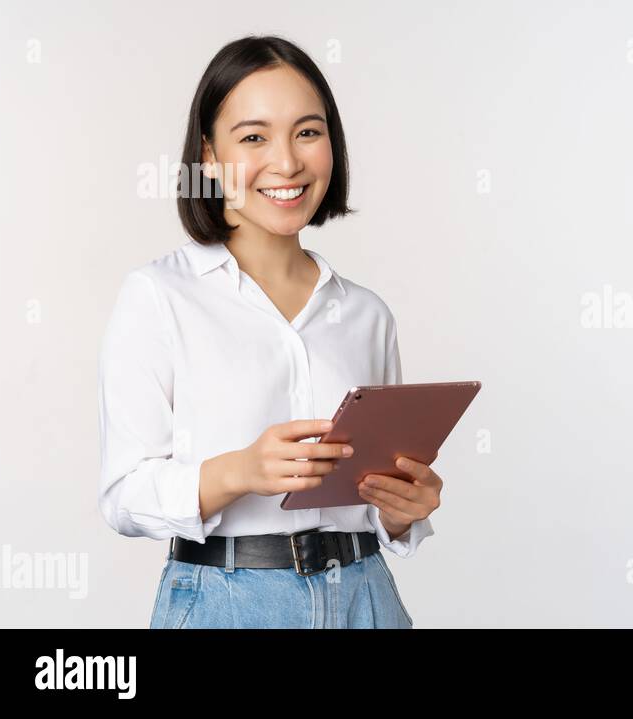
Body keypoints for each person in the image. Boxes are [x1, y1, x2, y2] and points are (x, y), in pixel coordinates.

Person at [98, 35, 442, 628]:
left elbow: (377, 492)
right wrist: (239, 472)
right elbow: (123, 496)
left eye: (308, 132)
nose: (287, 163)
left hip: (366, 598)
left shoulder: (367, 314)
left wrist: (404, 511)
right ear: (208, 155)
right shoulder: (158, 297)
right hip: (226, 602)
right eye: (254, 137)